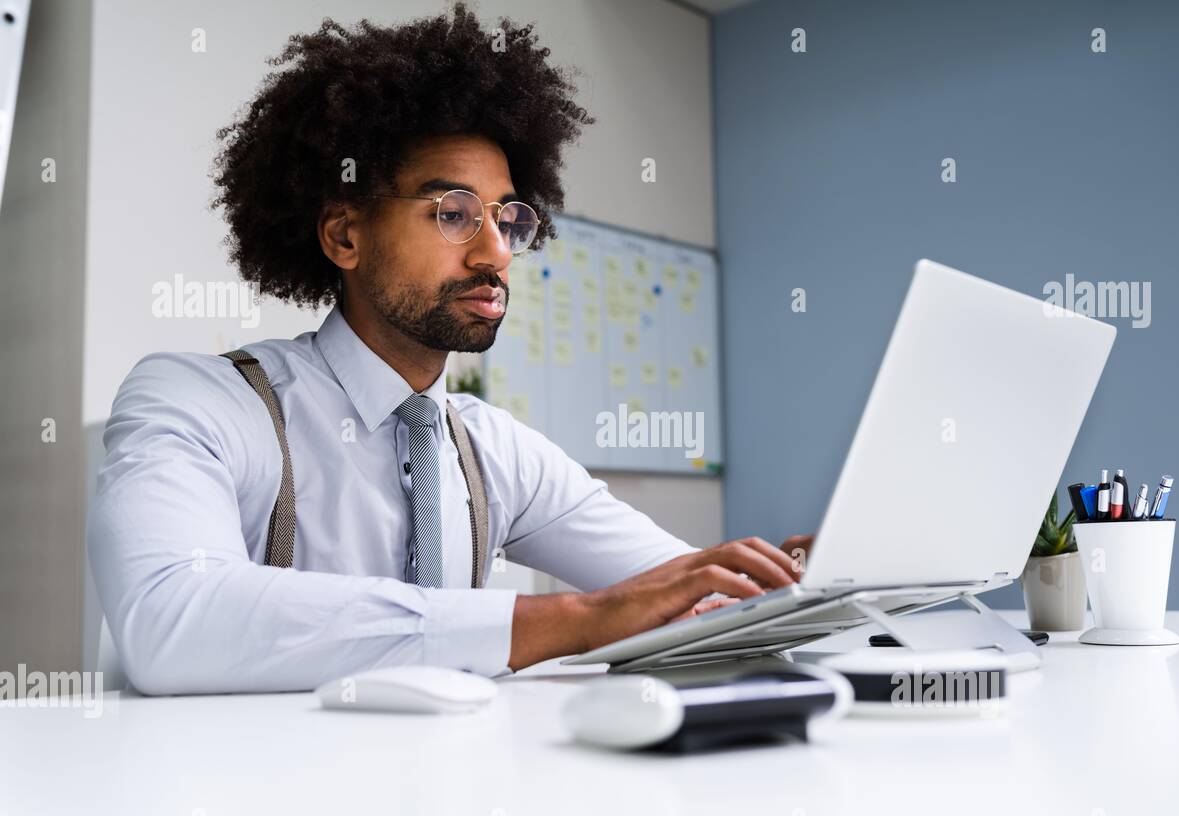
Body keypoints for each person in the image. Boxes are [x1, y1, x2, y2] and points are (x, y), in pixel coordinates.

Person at [88, 6, 807, 695]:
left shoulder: (492, 449)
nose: (496, 253)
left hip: (442, 805)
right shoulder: (200, 402)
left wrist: (789, 585)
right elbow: (170, 619)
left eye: (508, 219)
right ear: (345, 236)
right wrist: (575, 620)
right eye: (453, 214)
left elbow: (676, 588)